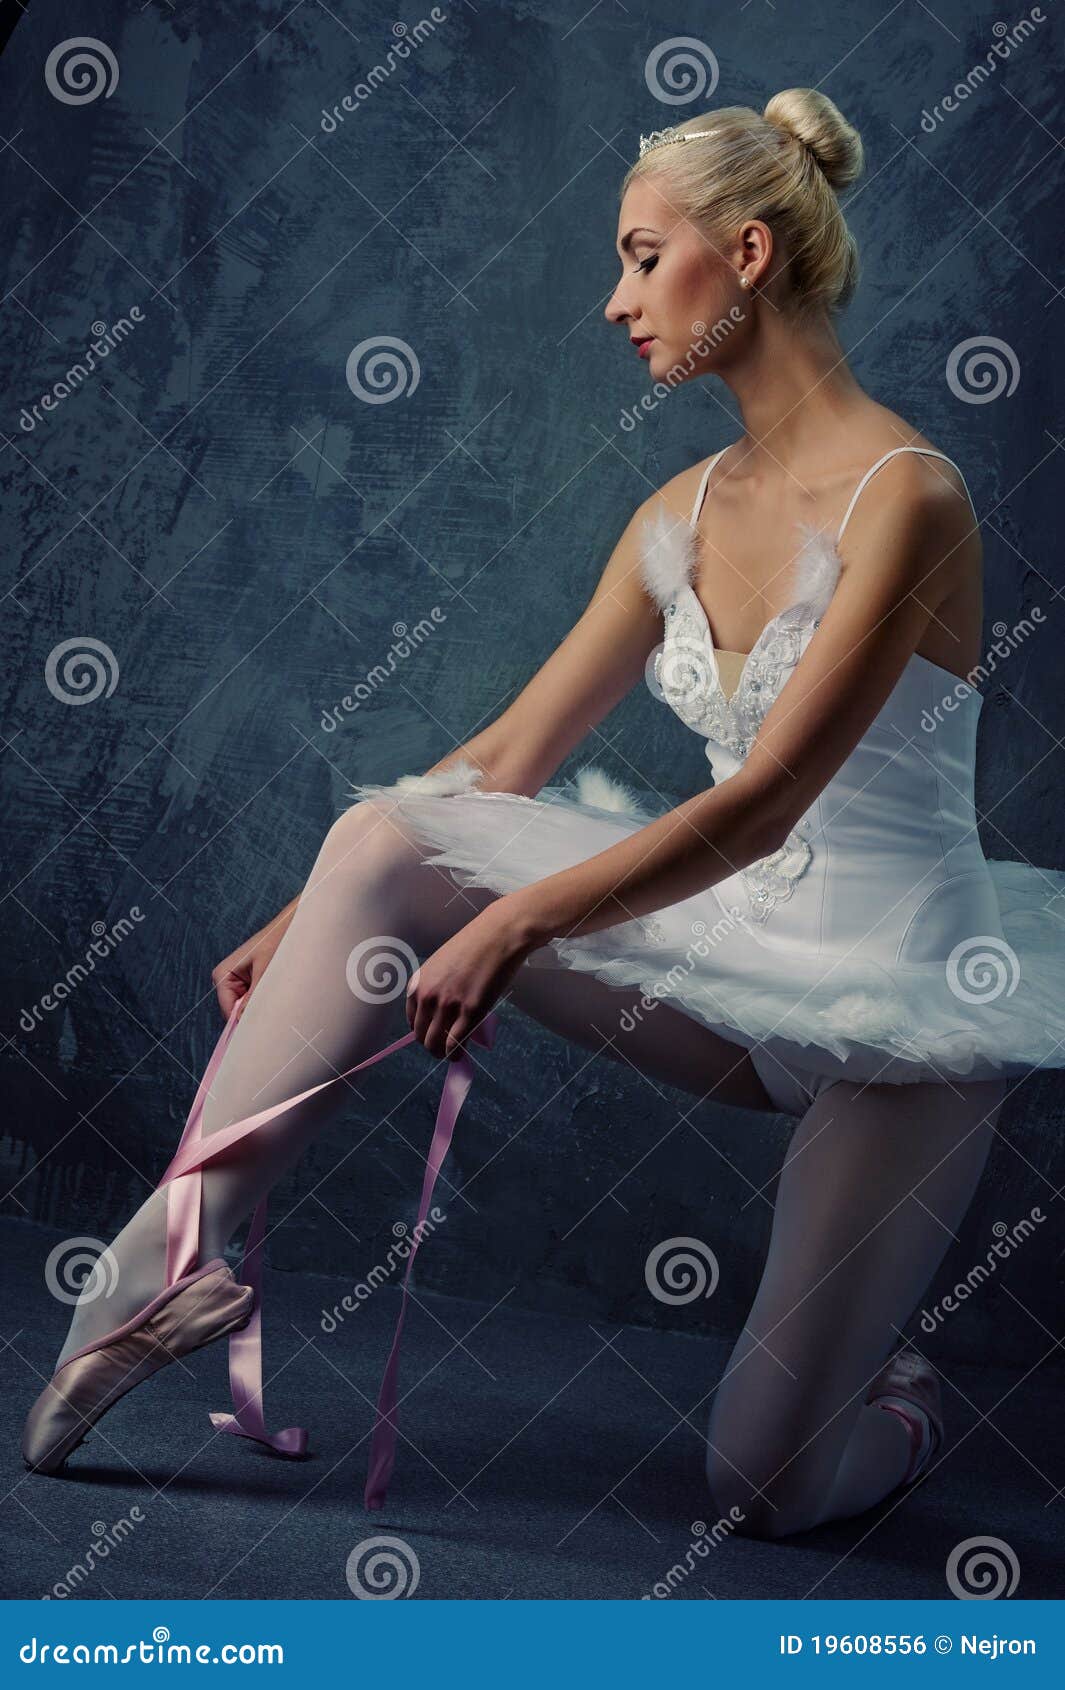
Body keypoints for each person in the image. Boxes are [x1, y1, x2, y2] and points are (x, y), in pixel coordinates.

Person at [23, 90, 1065, 1540]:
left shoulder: (911, 495)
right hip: (731, 958)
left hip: (900, 995)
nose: (612, 299)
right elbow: (509, 748)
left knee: (760, 1486)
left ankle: (892, 1396)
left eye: (643, 258)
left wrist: (515, 921)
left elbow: (765, 802)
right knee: (384, 840)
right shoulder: (675, 510)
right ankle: (164, 1260)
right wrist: (320, 907)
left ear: (748, 255)